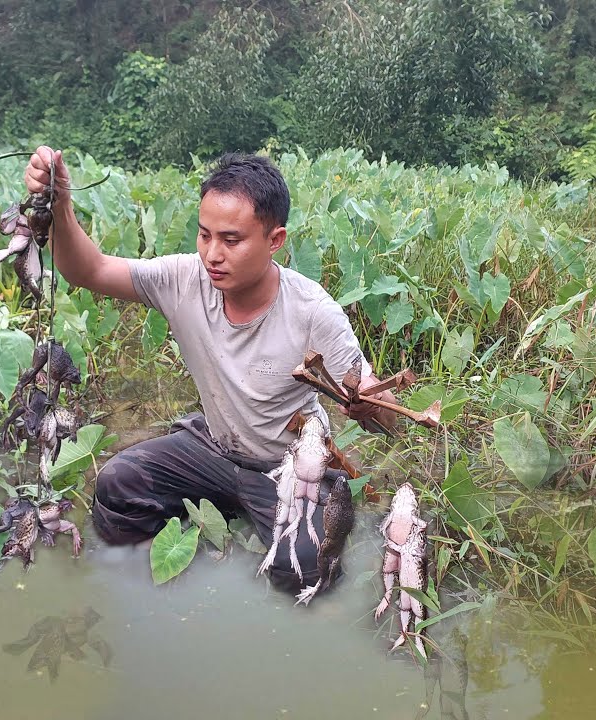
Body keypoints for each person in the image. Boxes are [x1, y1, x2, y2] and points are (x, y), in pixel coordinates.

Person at [23, 147, 400, 591]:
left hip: (286, 468)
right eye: (204, 235)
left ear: (275, 240)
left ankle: (250, 529)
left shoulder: (313, 312)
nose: (212, 255)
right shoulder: (184, 279)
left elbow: (388, 419)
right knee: (116, 486)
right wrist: (62, 204)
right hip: (213, 447)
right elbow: (91, 270)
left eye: (232, 240)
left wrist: (370, 405)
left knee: (305, 568)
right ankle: (165, 583)